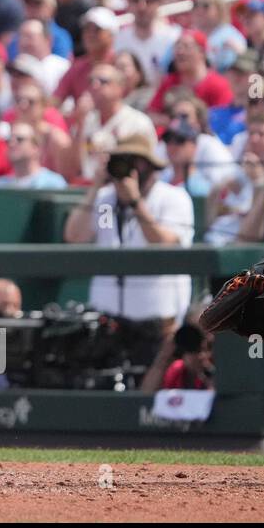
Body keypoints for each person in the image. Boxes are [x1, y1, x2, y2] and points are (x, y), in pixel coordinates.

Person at [62, 132, 195, 366]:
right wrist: (95, 186)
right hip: (108, 321)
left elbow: (162, 243)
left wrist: (135, 202)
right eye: (122, 160)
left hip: (156, 324)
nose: (128, 168)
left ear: (149, 165)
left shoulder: (173, 198)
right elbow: (75, 236)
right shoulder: (105, 199)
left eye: (135, 160)